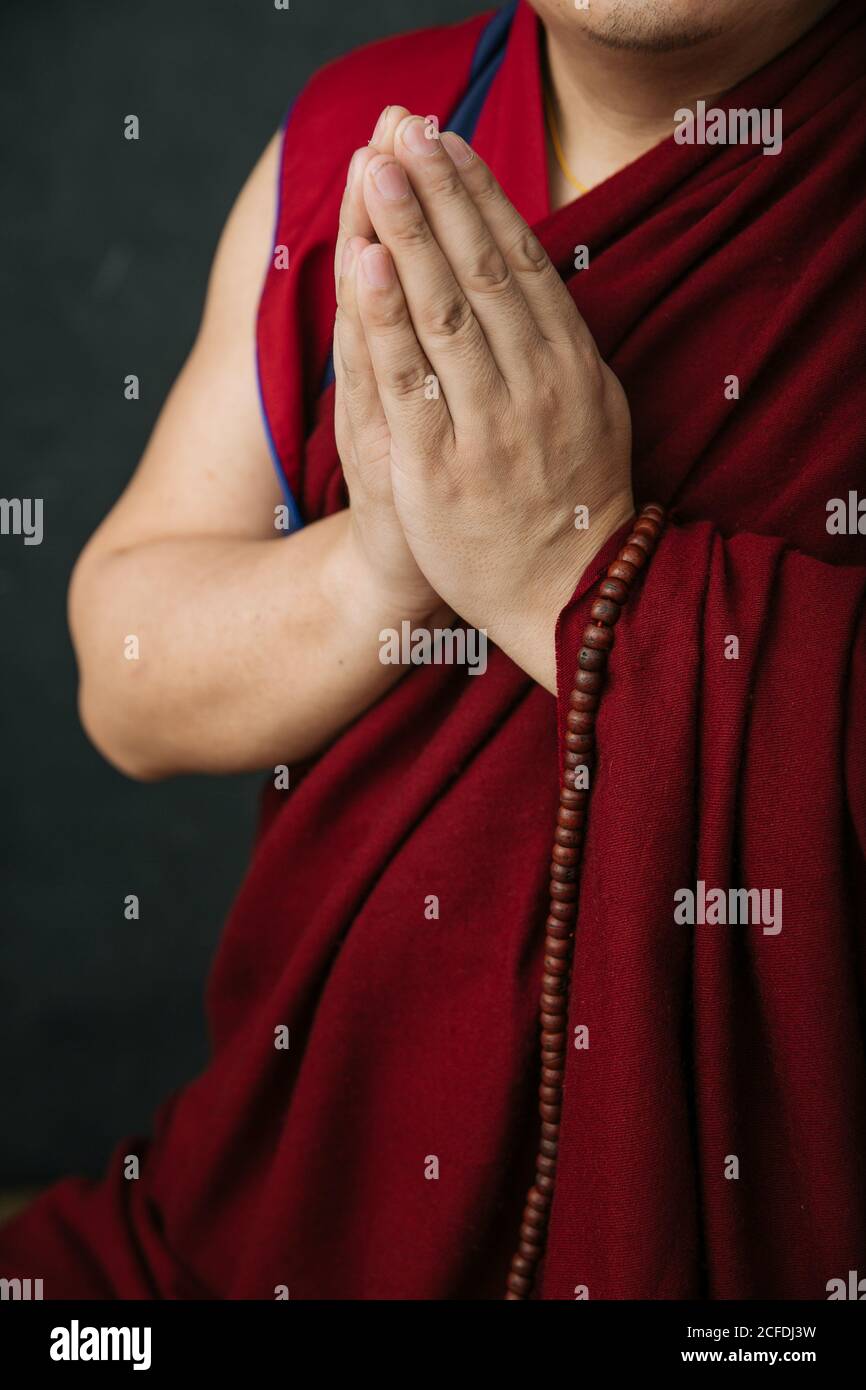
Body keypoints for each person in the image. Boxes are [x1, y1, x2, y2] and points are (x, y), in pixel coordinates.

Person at [2, 0, 864, 1299]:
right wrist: (385, 565)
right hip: (288, 1227)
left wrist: (571, 573)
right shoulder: (377, 143)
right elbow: (127, 675)